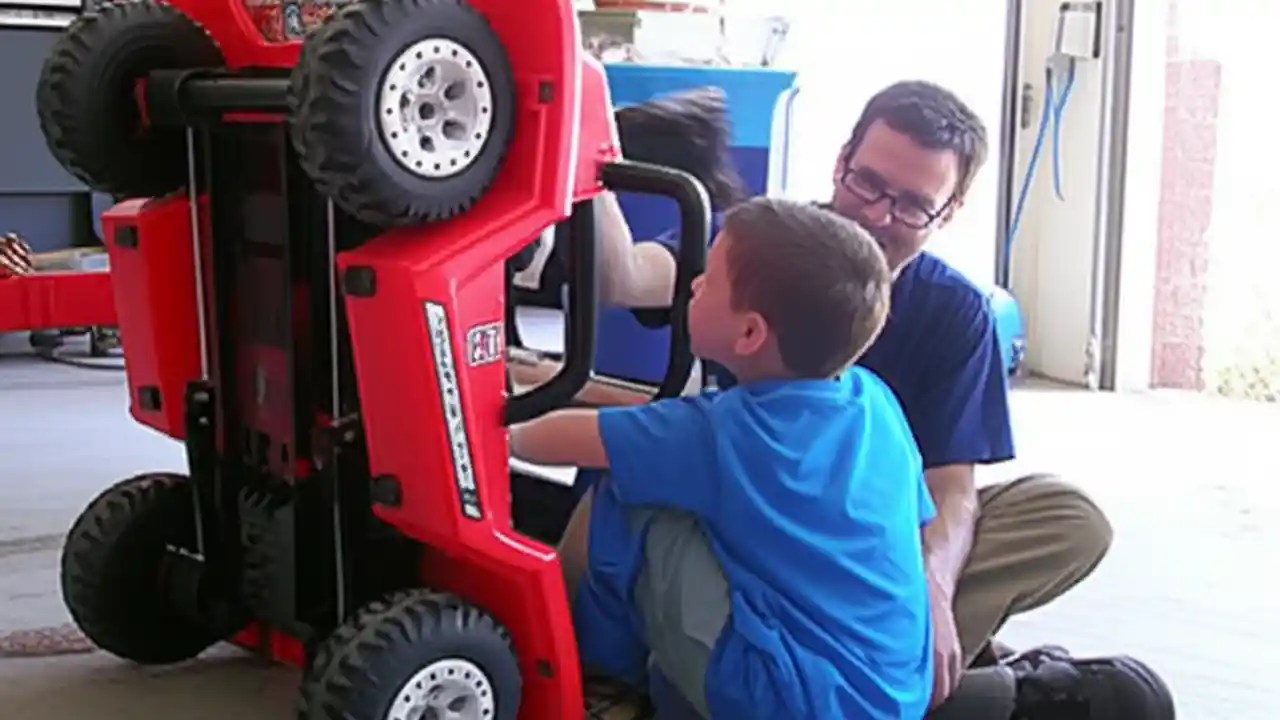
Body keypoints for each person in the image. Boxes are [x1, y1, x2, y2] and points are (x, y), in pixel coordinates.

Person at [513, 80, 1175, 719]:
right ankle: (950, 682)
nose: (880, 216)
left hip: (846, 550)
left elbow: (951, 490)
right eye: (868, 183)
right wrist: (586, 123)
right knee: (680, 476)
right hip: (791, 538)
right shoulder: (771, 252)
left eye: (913, 204)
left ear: (950, 211)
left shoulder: (954, 313)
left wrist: (933, 590)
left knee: (1068, 517)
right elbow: (629, 285)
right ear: (840, 163)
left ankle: (599, 680)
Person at [511, 197, 937, 719]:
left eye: (708, 278)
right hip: (891, 698)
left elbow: (530, 439)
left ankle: (592, 682)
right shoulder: (872, 401)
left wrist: (472, 378)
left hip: (788, 700)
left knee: (622, 498)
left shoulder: (723, 433)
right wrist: (539, 372)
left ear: (750, 333)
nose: (693, 285)